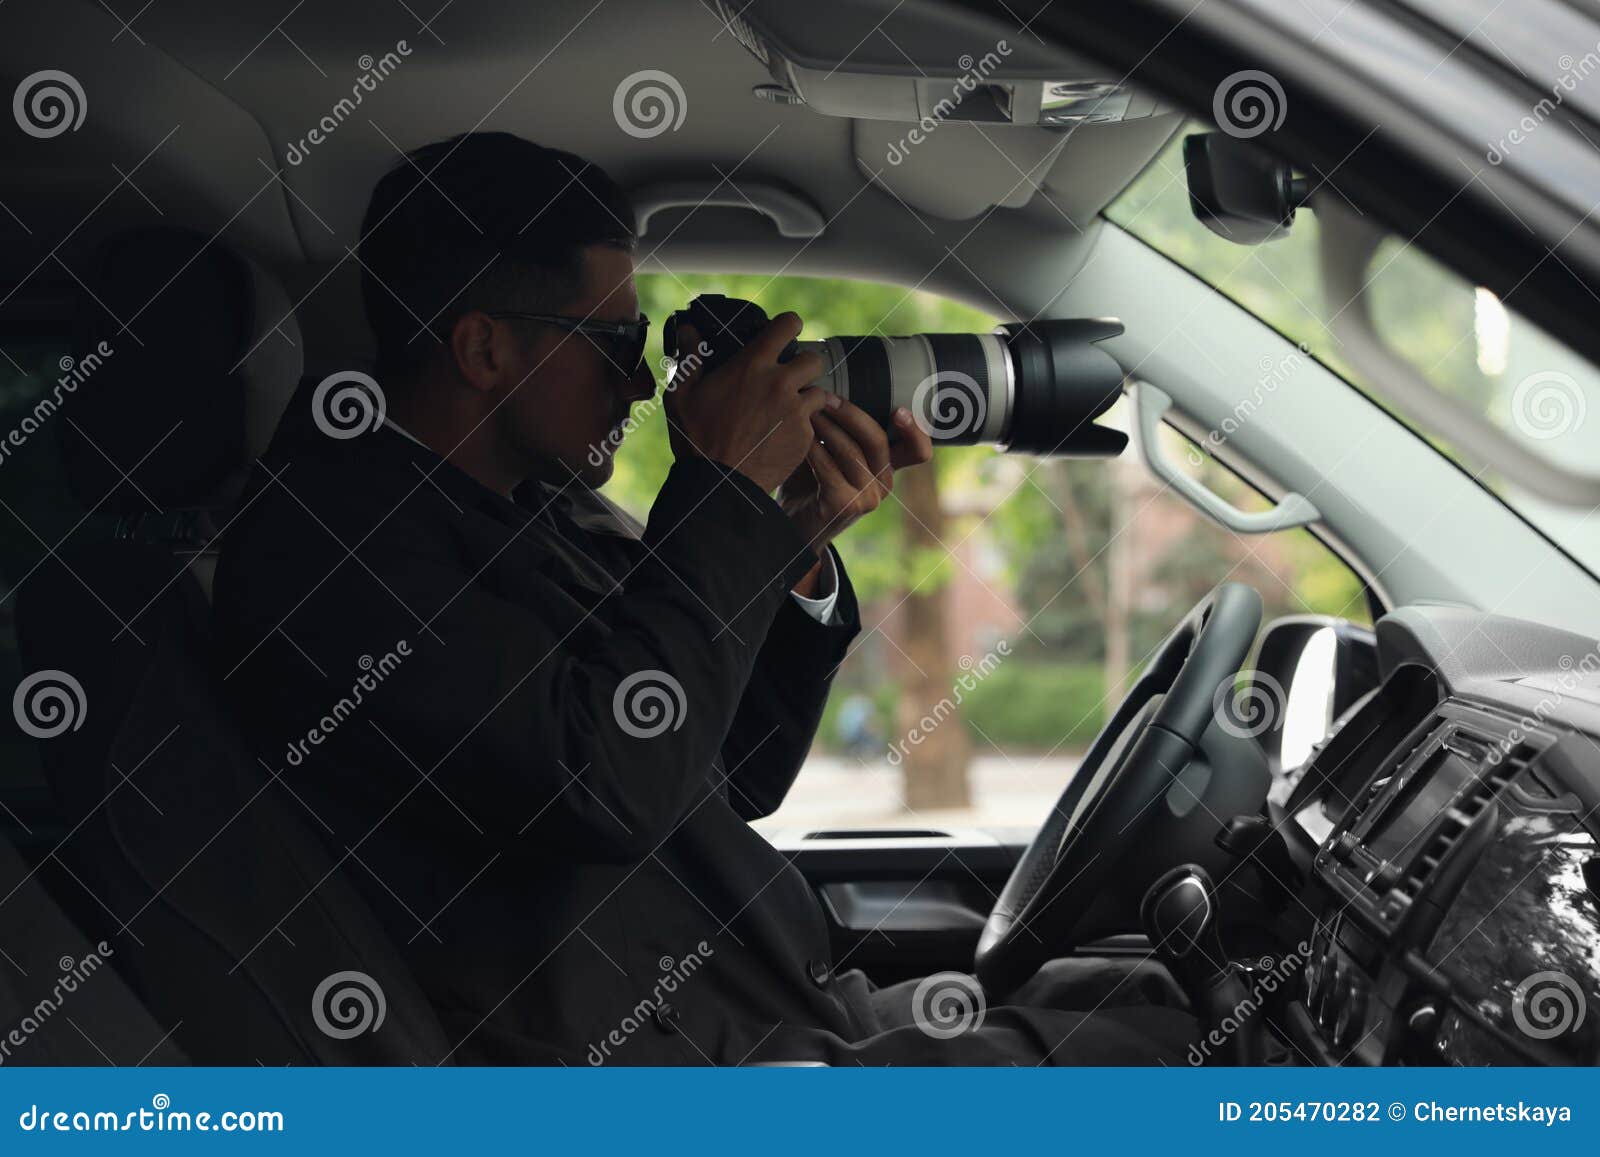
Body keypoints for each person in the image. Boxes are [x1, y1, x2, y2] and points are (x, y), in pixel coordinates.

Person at [211, 131, 1192, 1064]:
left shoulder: (531, 511)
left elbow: (726, 767)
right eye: (612, 340)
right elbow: (609, 783)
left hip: (753, 1018)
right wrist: (722, 489)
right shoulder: (335, 555)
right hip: (641, 1068)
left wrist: (792, 536)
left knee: (1135, 998)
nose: (641, 382)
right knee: (1181, 1057)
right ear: (482, 350)